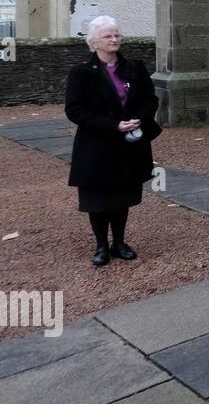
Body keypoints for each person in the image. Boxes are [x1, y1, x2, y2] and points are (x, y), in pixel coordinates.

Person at [65, 15, 160, 267]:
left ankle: (119, 242)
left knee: (122, 195)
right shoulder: (81, 73)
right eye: (108, 36)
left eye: (117, 34)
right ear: (93, 42)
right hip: (97, 145)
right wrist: (113, 125)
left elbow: (150, 100)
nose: (114, 39)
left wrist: (138, 119)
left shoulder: (134, 68)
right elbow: (75, 111)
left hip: (128, 144)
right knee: (98, 198)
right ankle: (101, 246)